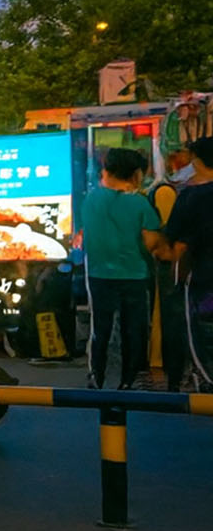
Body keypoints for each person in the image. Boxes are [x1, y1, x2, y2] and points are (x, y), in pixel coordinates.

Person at [80, 147, 166, 390]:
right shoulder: (140, 204)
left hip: (98, 274)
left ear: (107, 170)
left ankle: (96, 376)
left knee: (101, 328)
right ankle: (128, 382)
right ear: (136, 174)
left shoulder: (91, 199)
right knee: (134, 330)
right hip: (134, 275)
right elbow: (151, 243)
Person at [161, 137, 213, 389]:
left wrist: (174, 273)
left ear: (197, 161)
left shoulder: (190, 197)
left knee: (197, 332)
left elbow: (177, 245)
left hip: (201, 277)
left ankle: (204, 381)